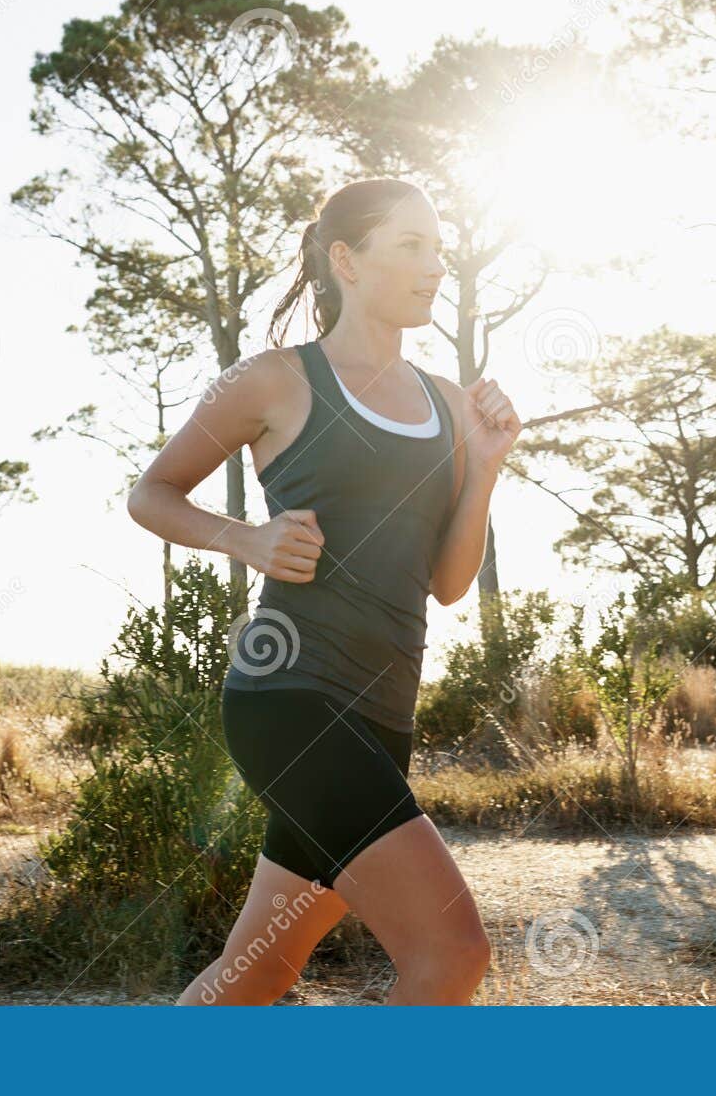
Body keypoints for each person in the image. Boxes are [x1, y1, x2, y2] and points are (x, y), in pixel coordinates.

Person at [127, 176, 520, 1005]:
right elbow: (150, 494)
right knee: (453, 954)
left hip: (383, 717)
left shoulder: (448, 405)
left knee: (262, 967)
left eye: (439, 249)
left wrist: (482, 470)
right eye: (410, 246)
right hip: (293, 702)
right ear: (346, 258)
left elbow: (449, 585)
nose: (434, 266)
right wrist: (247, 539)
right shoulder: (273, 380)